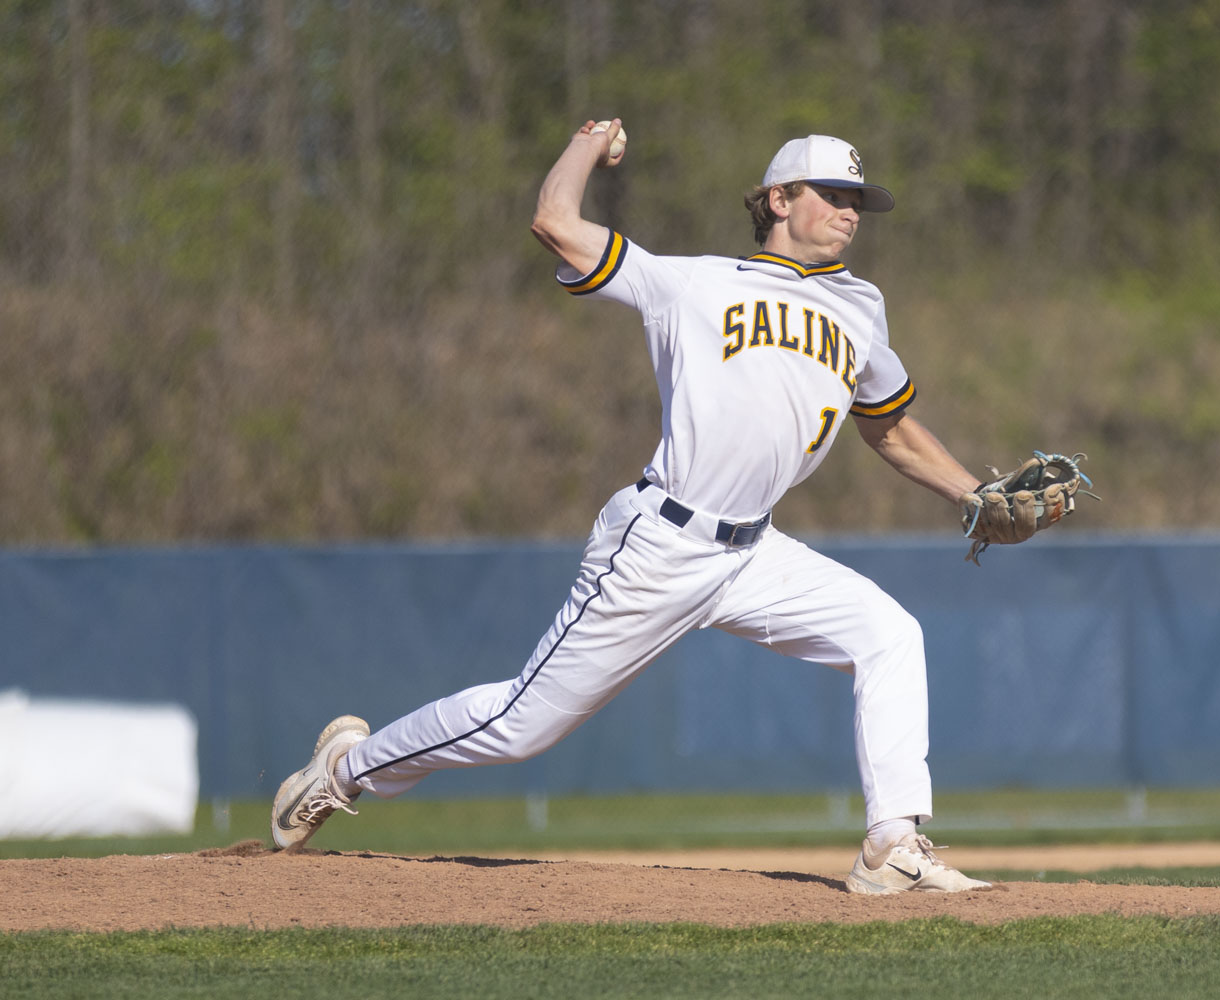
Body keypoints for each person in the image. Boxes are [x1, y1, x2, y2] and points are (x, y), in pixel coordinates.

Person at [272, 121, 1001, 894]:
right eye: (836, 194)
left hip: (755, 553)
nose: (853, 212)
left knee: (889, 632)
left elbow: (887, 426)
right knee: (524, 725)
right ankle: (346, 768)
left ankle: (891, 844)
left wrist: (973, 494)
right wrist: (589, 142)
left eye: (861, 201)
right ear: (780, 199)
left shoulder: (861, 308)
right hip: (662, 541)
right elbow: (554, 223)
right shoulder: (691, 283)